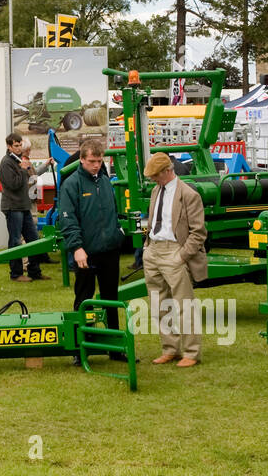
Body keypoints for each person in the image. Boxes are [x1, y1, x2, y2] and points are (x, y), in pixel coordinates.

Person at [57, 136, 127, 362]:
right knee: (84, 299)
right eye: (92, 161)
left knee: (111, 299)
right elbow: (67, 220)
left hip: (109, 250)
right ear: (82, 160)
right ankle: (81, 349)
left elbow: (112, 212)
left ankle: (115, 347)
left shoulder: (106, 182)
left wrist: (118, 234)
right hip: (85, 253)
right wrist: (76, 247)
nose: (96, 165)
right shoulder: (71, 184)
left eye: (99, 161)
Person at [141, 152, 208, 368]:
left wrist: (181, 255)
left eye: (155, 176)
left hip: (174, 251)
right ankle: (170, 349)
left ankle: (191, 352)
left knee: (184, 304)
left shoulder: (189, 194)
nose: (153, 180)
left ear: (167, 171)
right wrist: (147, 247)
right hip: (153, 250)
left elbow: (198, 232)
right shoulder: (155, 191)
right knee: (158, 303)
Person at [0, 133, 53, 281]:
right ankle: (16, 274)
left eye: (20, 145)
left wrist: (43, 166)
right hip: (13, 207)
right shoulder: (6, 163)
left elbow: (31, 177)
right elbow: (13, 184)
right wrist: (23, 170)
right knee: (16, 241)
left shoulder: (19, 161)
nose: (19, 148)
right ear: (9, 147)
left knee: (34, 239)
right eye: (16, 145)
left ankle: (34, 272)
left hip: (24, 206)